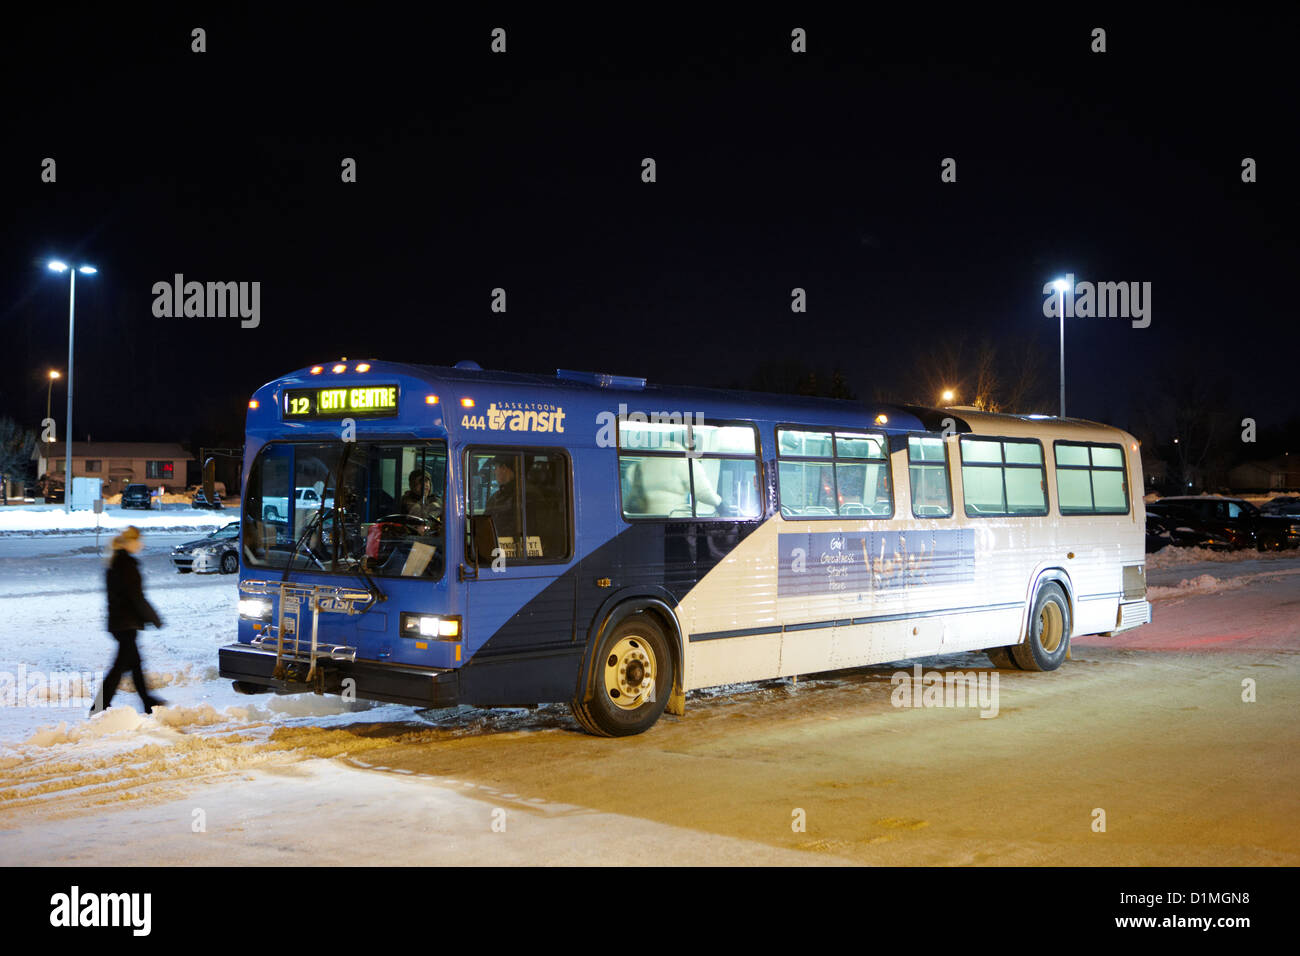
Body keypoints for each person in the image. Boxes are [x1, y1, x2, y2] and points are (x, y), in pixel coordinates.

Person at [92, 526, 166, 716]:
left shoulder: (117, 561)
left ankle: (148, 702)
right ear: (131, 542)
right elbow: (136, 597)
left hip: (121, 622)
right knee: (119, 669)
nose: (141, 544)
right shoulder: (126, 564)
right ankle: (98, 707)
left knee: (135, 665)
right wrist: (154, 617)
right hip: (125, 623)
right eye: (139, 540)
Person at [484, 456, 518, 540]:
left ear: (503, 468)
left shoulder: (524, 495)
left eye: (496, 468)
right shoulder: (498, 495)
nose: (495, 472)